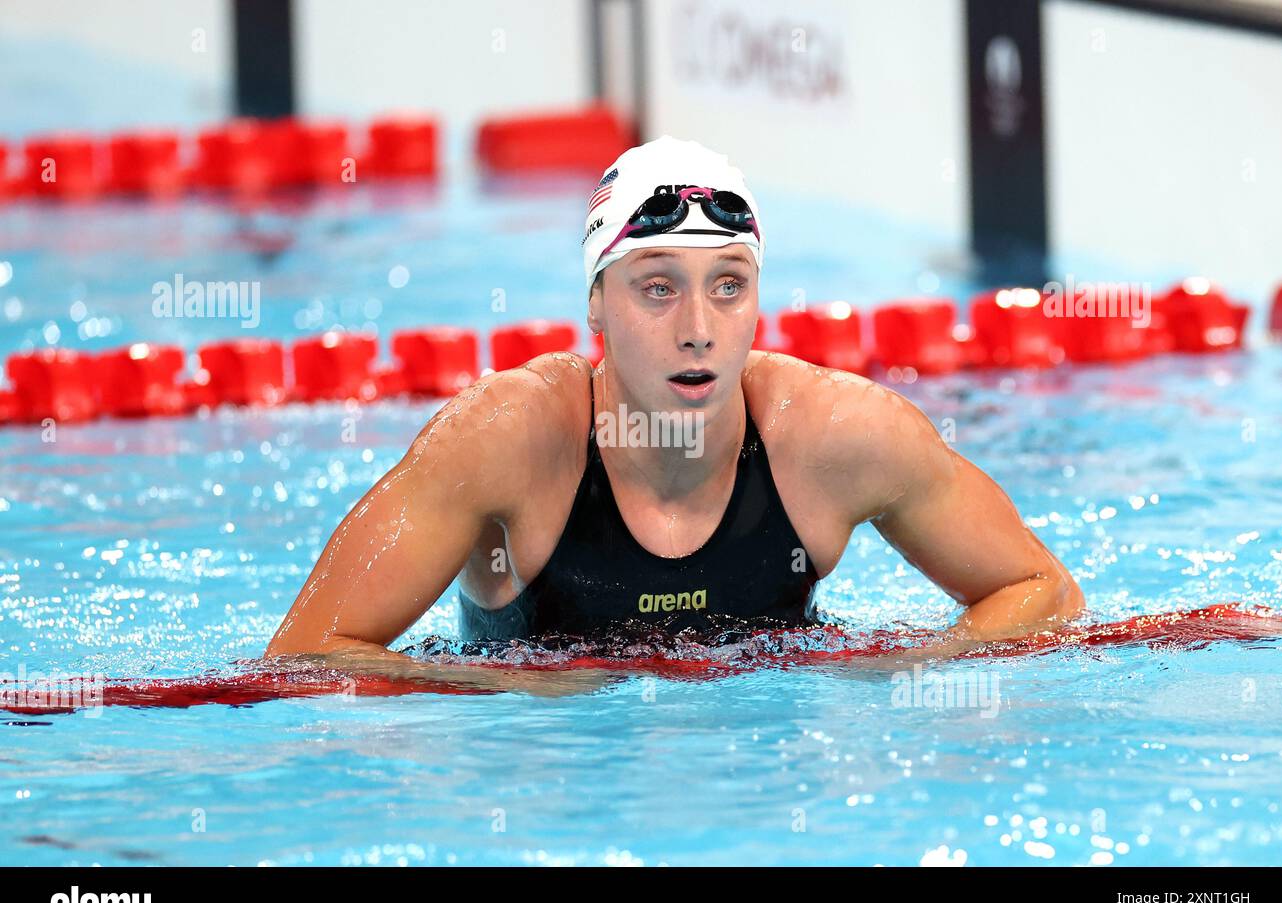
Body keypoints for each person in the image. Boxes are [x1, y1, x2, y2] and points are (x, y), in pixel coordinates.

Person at [263, 136, 1084, 691]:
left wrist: (894, 675)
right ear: (596, 301)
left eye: (729, 284)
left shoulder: (837, 435)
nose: (698, 330)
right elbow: (303, 661)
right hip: (543, 785)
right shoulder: (508, 438)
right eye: (657, 287)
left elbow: (1042, 590)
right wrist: (511, 691)